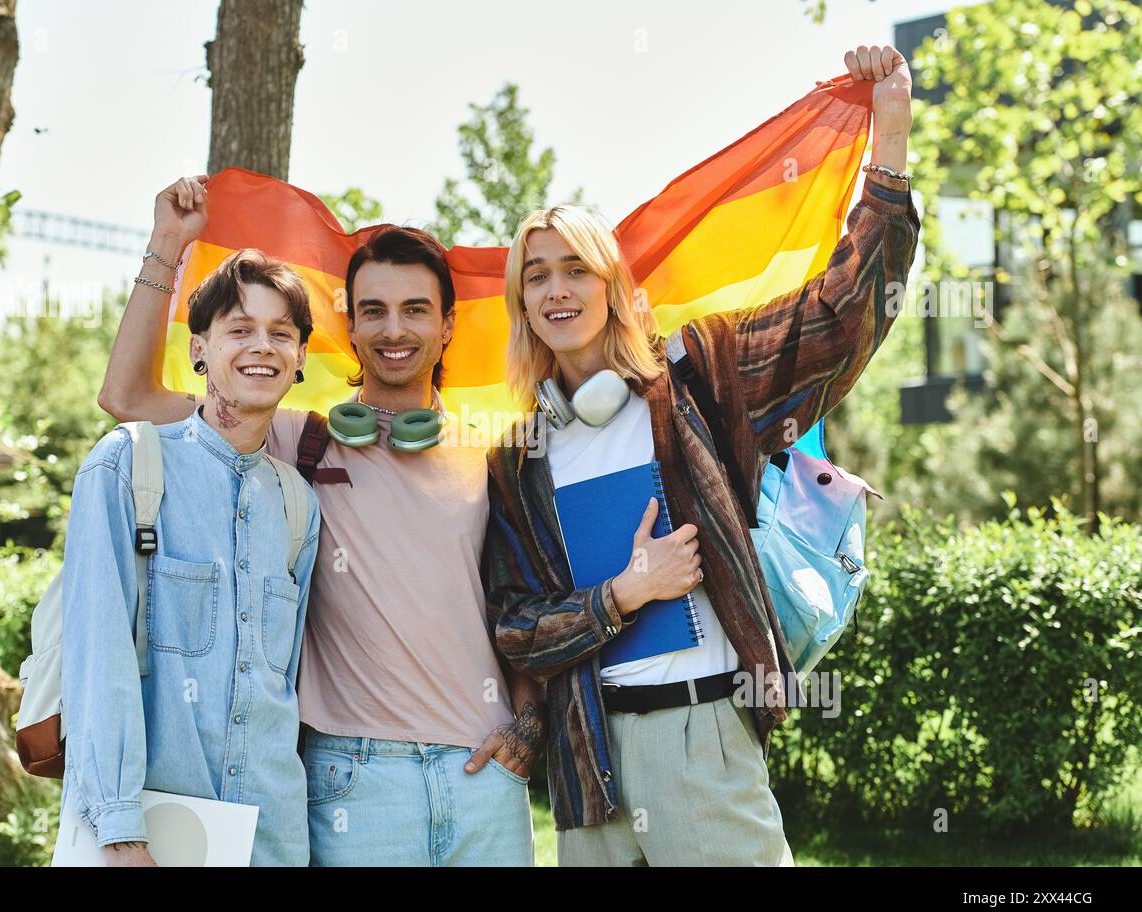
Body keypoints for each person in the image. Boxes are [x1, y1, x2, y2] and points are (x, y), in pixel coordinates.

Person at [483, 44, 919, 865]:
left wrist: (888, 137)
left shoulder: (700, 377)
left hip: (702, 737)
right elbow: (515, 628)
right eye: (535, 276)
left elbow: (840, 317)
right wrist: (621, 596)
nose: (556, 289)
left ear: (613, 284)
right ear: (521, 306)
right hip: (591, 761)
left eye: (576, 268)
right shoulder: (518, 458)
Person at [98, 183, 542, 866]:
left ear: (447, 326)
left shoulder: (494, 452)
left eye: (415, 310)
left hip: (484, 779)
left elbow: (525, 598)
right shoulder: (293, 440)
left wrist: (528, 723)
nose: (394, 330)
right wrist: (167, 244)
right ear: (351, 328)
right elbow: (126, 397)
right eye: (374, 312)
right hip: (351, 783)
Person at [62, 248, 320, 866]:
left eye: (280, 333)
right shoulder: (129, 465)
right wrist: (122, 832)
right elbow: (99, 654)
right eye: (240, 329)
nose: (262, 346)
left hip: (270, 839)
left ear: (301, 357)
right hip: (150, 832)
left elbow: (282, 686)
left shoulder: (297, 503)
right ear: (198, 348)